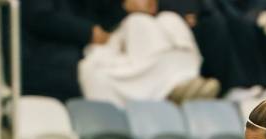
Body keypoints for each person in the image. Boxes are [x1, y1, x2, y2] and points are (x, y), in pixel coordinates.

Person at [78, 0, 219, 107]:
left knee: (172, 20)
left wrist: (154, 5)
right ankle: (168, 89)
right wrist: (126, 7)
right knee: (138, 22)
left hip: (153, 21)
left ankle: (184, 81)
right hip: (114, 34)